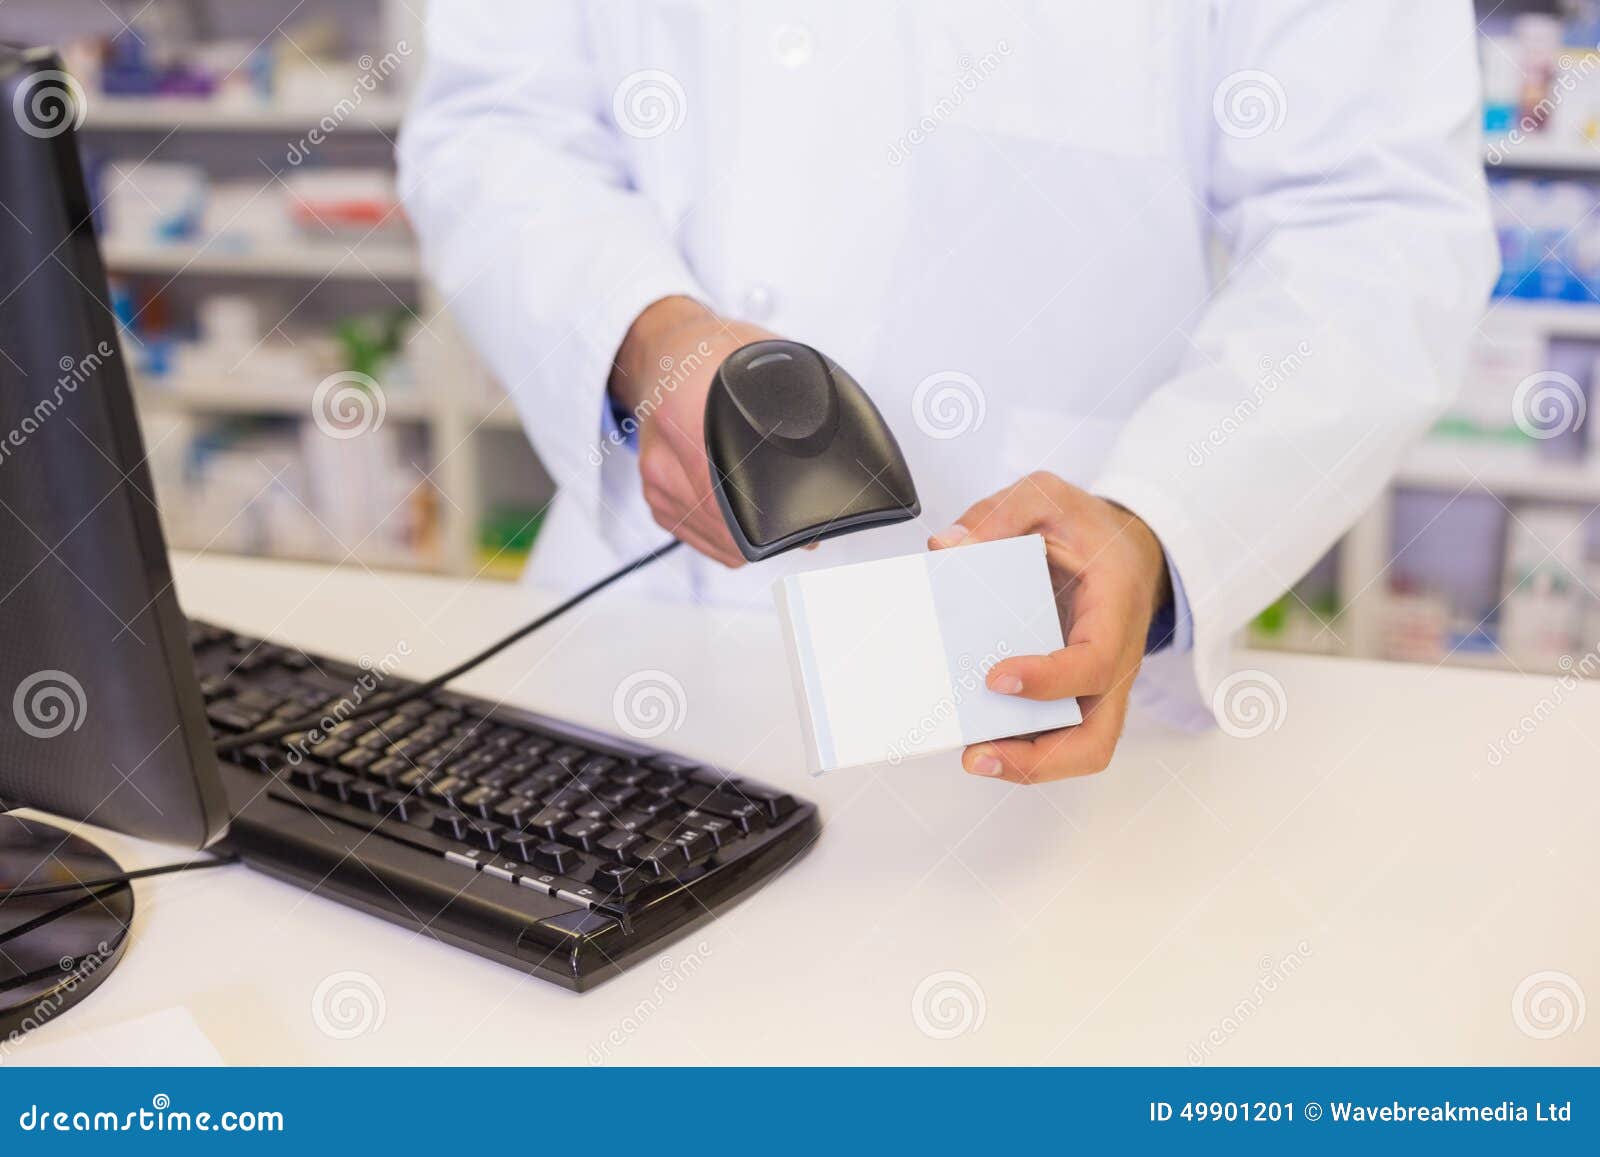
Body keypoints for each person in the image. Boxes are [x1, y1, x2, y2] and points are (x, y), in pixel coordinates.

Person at [398, 2, 1497, 783]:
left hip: (1029, 641)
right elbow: (498, 126)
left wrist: (1157, 518)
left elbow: (1373, 226)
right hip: (633, 640)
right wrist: (652, 338)